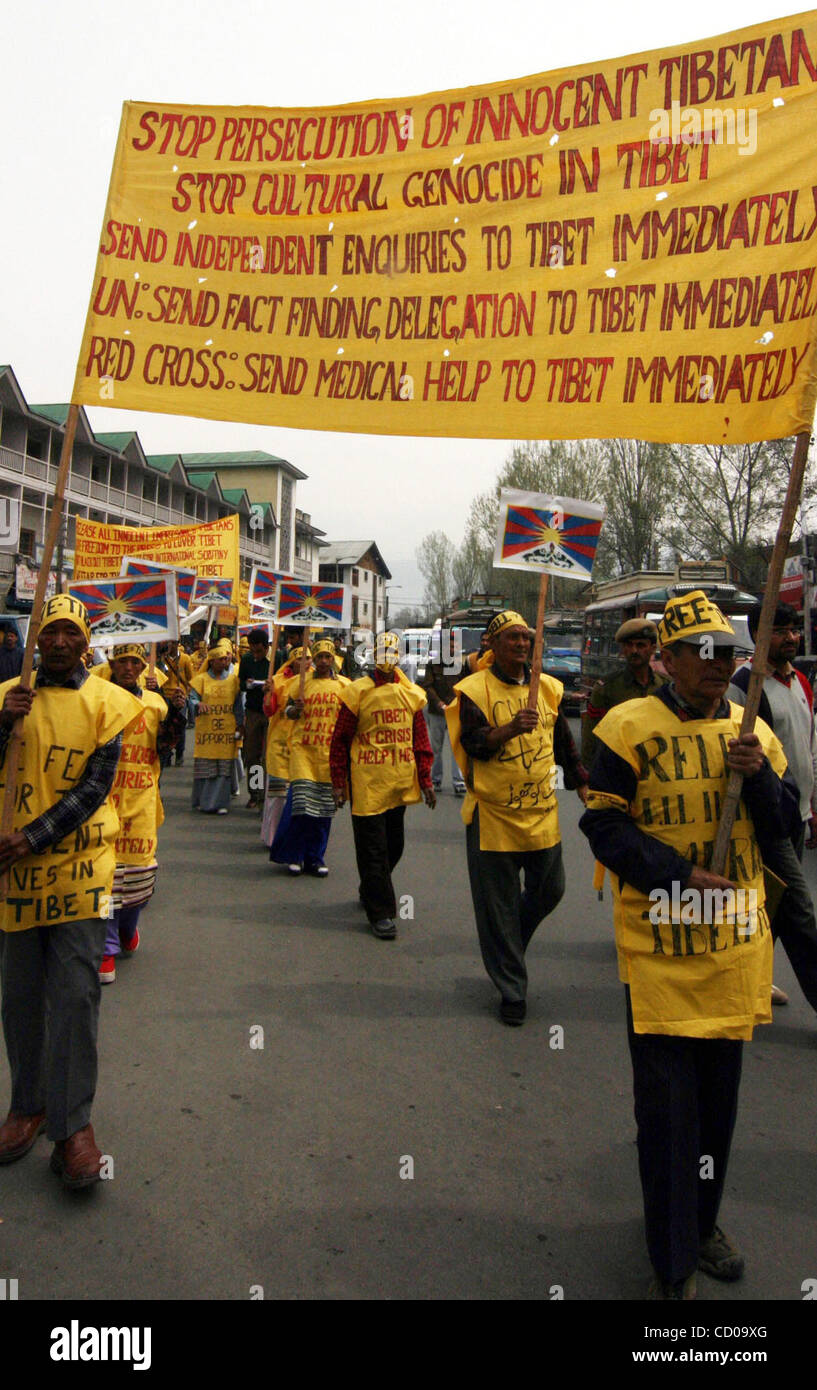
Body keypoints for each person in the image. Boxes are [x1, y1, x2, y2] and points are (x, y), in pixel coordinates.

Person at [579, 590, 794, 1299]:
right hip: (659, 952)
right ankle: (670, 1258)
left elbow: (783, 832)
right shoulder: (622, 728)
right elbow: (604, 830)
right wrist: (677, 873)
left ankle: (702, 1223)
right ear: (667, 659)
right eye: (700, 651)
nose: (716, 663)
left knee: (716, 1108)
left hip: (733, 951)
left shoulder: (751, 732)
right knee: (668, 1113)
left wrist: (757, 780)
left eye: (727, 652)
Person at [0, 594, 142, 1187]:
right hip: (15, 878)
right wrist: (1, 724)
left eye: (68, 633)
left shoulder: (108, 705)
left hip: (80, 873)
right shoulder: (8, 697)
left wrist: (33, 836)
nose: (57, 642)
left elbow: (92, 790)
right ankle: (27, 1105)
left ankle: (73, 1126)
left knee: (78, 994)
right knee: (22, 997)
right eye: (48, 631)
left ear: (86, 642)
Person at [446, 610, 587, 1025]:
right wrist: (508, 729)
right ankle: (512, 990)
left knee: (551, 888)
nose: (522, 645)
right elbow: (473, 744)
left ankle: (507, 944)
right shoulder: (474, 690)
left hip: (541, 813)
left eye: (527, 638)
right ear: (492, 645)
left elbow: (562, 740)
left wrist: (580, 779)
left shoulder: (548, 689)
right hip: (493, 817)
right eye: (513, 639)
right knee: (498, 904)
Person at [728, 600, 817, 1015]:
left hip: (795, 813)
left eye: (793, 629)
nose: (791, 637)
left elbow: (806, 750)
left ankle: (753, 980)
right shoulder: (746, 685)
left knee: (773, 909)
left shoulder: (799, 681)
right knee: (800, 916)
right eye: (780, 630)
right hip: (764, 822)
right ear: (760, 635)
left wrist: (811, 806)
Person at [330, 631, 435, 939]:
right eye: (382, 652)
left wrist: (426, 779)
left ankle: (371, 887)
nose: (388, 658)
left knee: (394, 846)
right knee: (373, 849)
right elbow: (340, 740)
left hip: (398, 783)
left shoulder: (410, 694)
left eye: (393, 652)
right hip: (366, 784)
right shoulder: (357, 692)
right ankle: (382, 913)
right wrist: (339, 781)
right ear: (373, 655)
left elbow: (421, 740)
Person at [100, 644, 186, 983]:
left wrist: (178, 713)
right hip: (102, 795)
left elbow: (165, 745)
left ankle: (126, 927)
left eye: (135, 662)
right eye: (123, 662)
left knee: (137, 873)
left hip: (141, 796)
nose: (129, 668)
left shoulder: (154, 703)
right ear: (113, 664)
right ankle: (105, 947)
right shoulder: (99, 697)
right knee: (102, 875)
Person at [269, 638, 350, 875]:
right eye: (319, 657)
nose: (323, 662)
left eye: (327, 657)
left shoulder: (345, 686)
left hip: (329, 756)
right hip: (303, 752)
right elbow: (287, 711)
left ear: (333, 658)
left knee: (324, 810)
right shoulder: (299, 684)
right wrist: (295, 710)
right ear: (313, 660)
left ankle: (315, 857)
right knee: (301, 806)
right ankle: (294, 855)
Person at [581, 619, 665, 769]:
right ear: (622, 649)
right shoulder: (606, 688)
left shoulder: (665, 686)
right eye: (629, 645)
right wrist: (588, 774)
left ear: (652, 648)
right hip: (619, 768)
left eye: (640, 645)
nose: (634, 651)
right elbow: (591, 734)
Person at [260, 645, 310, 846]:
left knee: (302, 796)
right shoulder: (278, 681)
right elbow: (269, 710)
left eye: (307, 658)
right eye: (299, 659)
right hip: (280, 744)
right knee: (278, 795)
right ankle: (273, 838)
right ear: (291, 662)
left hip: (305, 745)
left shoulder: (317, 682)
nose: (304, 663)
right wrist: (267, 694)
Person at [189, 640, 244, 814]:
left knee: (223, 769)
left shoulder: (234, 681)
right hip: (207, 732)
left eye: (226, 659)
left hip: (226, 732)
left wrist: (240, 725)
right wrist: (198, 705)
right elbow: (192, 698)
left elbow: (238, 706)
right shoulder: (201, 680)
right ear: (211, 661)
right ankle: (202, 801)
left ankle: (220, 803)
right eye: (220, 659)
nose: (224, 662)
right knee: (206, 768)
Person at [422, 641, 467, 796]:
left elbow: (466, 686)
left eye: (455, 647)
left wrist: (458, 703)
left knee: (456, 748)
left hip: (455, 712)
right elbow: (428, 686)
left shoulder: (461, 666)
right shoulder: (433, 665)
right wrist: (439, 703)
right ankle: (435, 779)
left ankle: (458, 781)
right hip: (437, 713)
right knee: (436, 749)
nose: (452, 650)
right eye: (450, 647)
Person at [239, 629, 271, 809]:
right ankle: (255, 792)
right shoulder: (246, 660)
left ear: (267, 648)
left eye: (259, 651)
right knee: (253, 755)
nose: (256, 654)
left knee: (268, 757)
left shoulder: (276, 658)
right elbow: (241, 683)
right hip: (253, 712)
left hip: (270, 712)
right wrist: (248, 684)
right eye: (253, 651)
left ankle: (267, 795)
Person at [156, 640, 195, 766]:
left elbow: (191, 678)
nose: (170, 646)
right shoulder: (162, 660)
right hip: (165, 696)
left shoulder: (185, 659)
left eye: (172, 643)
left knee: (180, 725)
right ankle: (166, 754)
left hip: (179, 695)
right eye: (168, 643)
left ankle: (180, 754)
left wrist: (186, 693)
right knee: (165, 725)